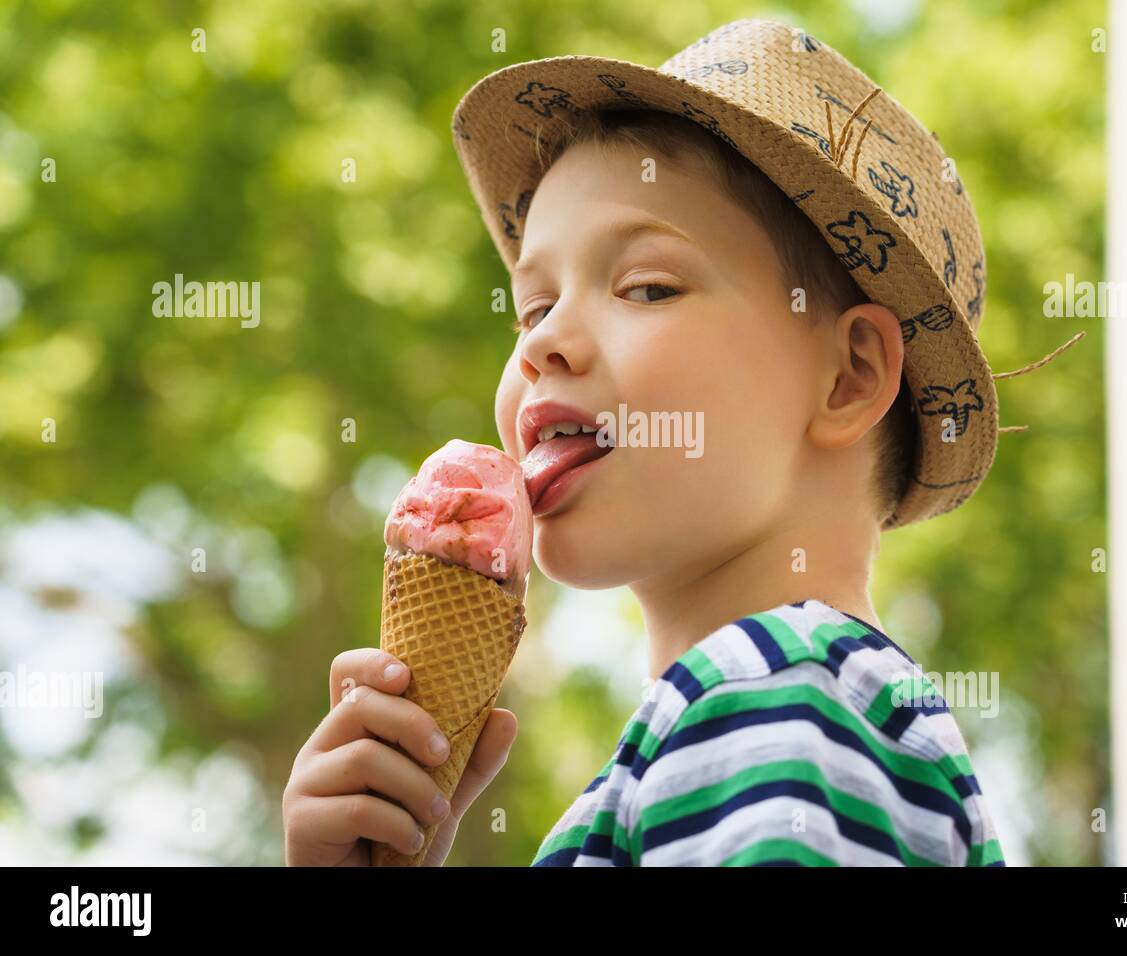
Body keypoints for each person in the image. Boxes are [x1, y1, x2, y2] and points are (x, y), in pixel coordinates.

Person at [284, 17, 1079, 867]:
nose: (538, 345)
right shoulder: (757, 713)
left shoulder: (773, 689)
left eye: (647, 286)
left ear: (848, 377)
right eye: (533, 306)